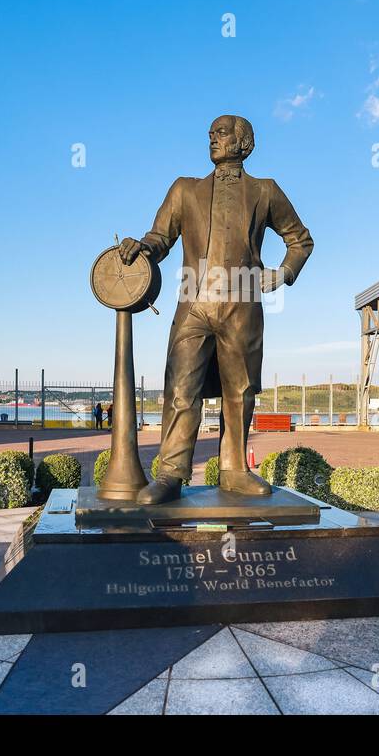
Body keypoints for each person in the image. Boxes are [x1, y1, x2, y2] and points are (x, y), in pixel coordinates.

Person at [118, 115, 313, 504]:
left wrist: (284, 273)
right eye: (210, 133)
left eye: (221, 133)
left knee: (240, 390)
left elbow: (300, 240)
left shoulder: (265, 191)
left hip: (242, 303)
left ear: (244, 144)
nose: (213, 138)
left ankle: (235, 471)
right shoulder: (184, 190)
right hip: (194, 301)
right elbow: (160, 239)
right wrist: (141, 247)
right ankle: (171, 475)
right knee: (180, 387)